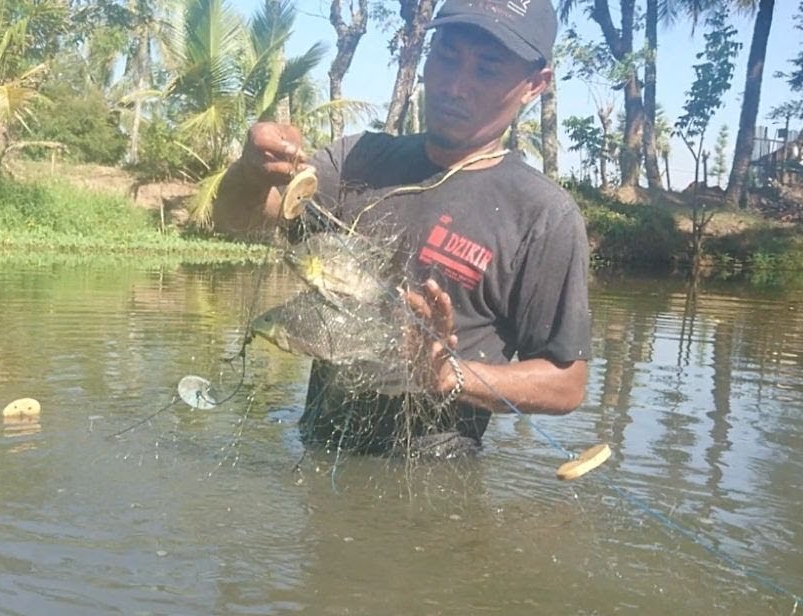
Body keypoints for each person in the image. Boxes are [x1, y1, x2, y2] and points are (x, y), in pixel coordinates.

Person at [213, 0, 590, 457]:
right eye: (447, 56)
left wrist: (450, 374)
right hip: (317, 453)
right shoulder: (359, 159)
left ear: (534, 85)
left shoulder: (542, 215)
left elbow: (567, 382)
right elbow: (237, 220)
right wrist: (250, 171)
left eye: (487, 70)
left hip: (433, 475)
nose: (455, 85)